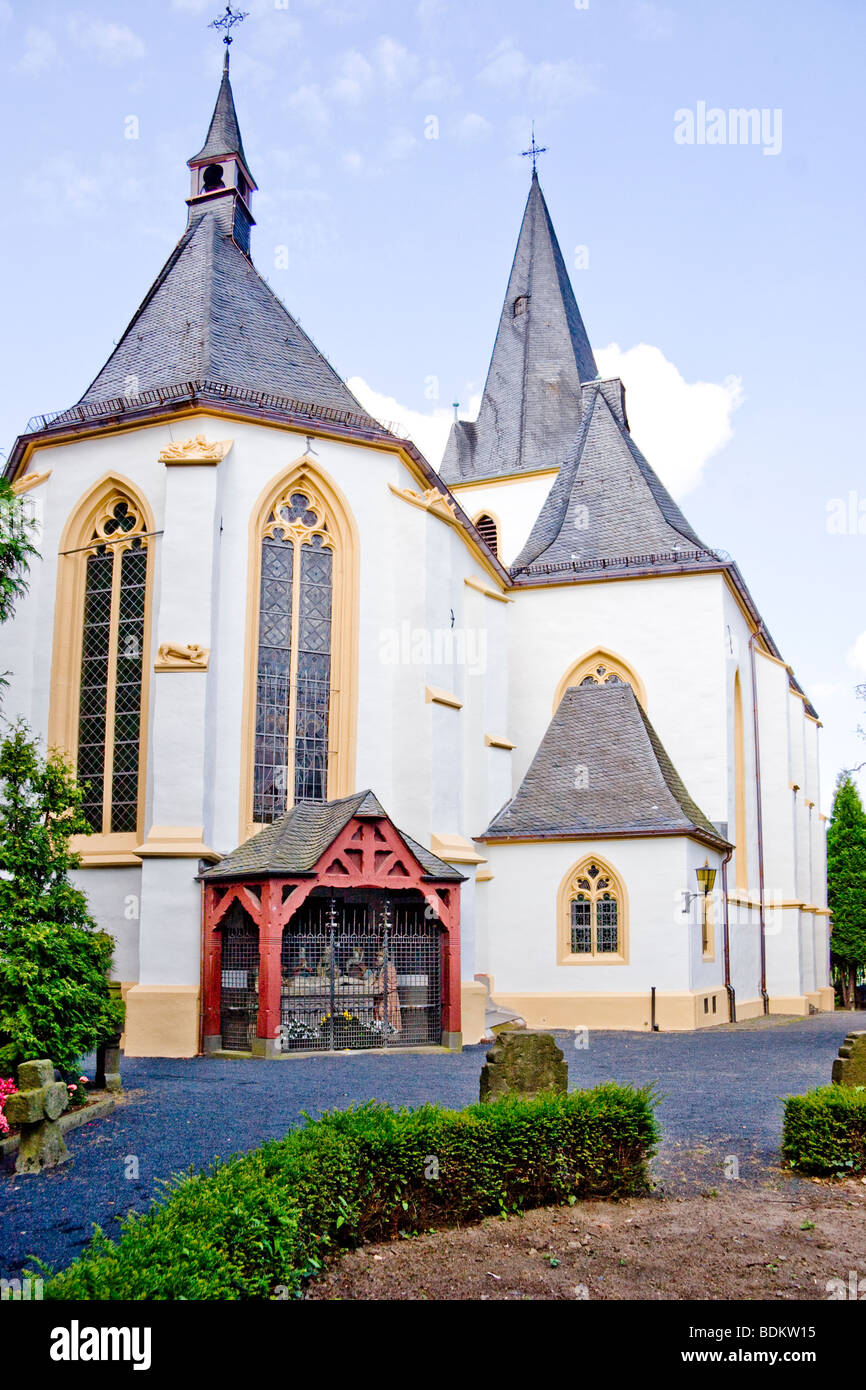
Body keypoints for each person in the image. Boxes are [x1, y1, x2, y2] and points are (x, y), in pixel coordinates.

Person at [373, 948, 401, 1032]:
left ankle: (390, 1037)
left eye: (380, 956)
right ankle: (382, 1035)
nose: (377, 958)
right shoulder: (381, 968)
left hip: (389, 997)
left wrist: (380, 987)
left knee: (387, 1015)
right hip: (382, 996)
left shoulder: (389, 967)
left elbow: (393, 984)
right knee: (381, 1014)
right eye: (377, 956)